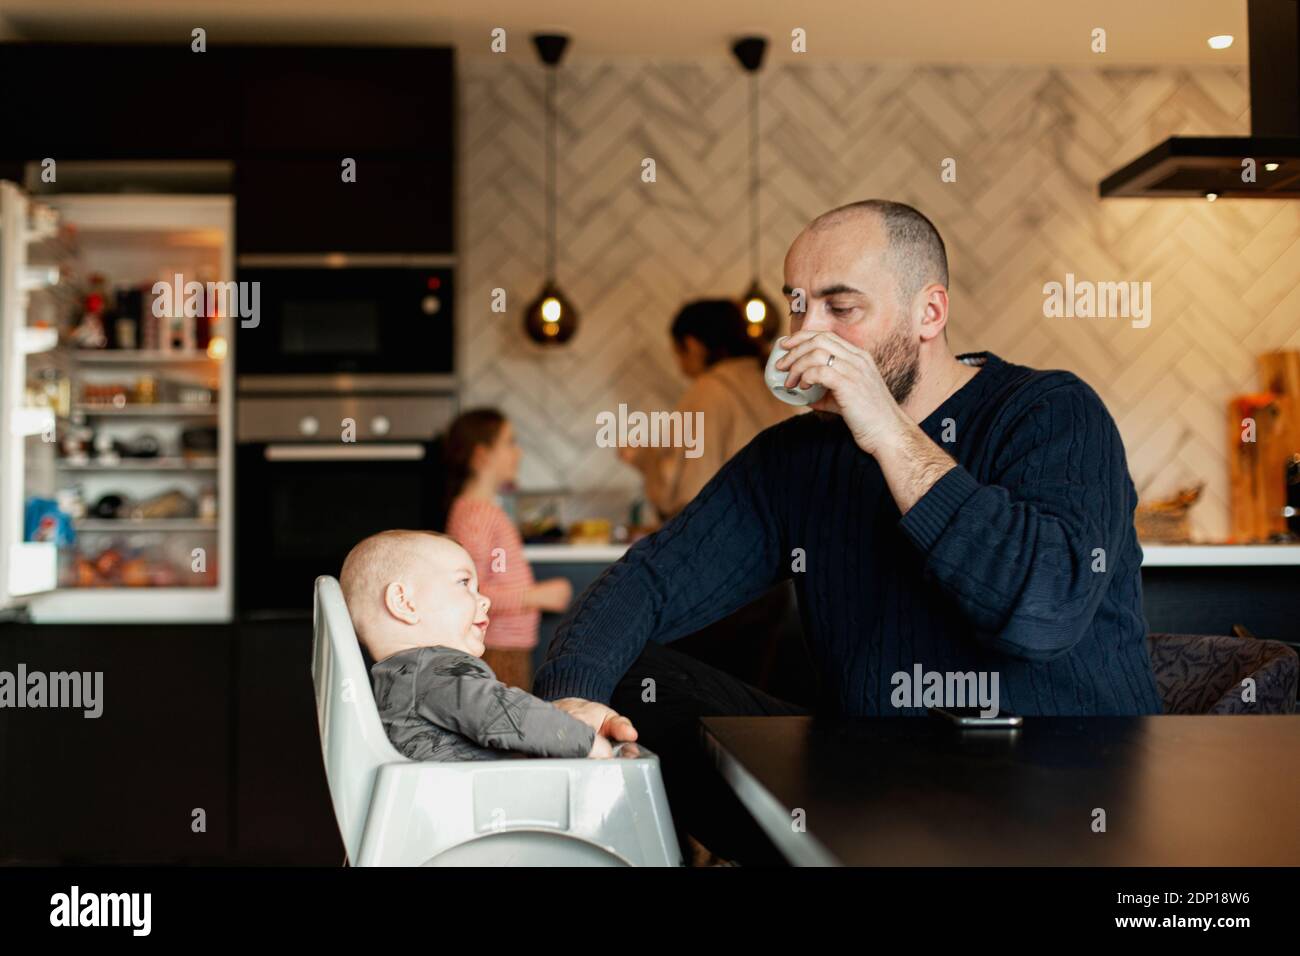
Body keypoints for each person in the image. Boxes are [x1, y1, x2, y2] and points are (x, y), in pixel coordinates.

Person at [532, 199, 1164, 864]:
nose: (808, 334)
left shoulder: (1053, 412)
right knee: (623, 671)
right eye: (798, 307)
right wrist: (571, 700)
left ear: (930, 313)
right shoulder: (796, 457)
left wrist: (888, 431)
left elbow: (1043, 612)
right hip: (875, 788)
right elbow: (651, 578)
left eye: (842, 308)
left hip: (1067, 791)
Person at [339, 529, 608, 760]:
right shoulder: (435, 670)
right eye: (464, 582)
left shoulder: (397, 680)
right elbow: (501, 712)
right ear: (404, 602)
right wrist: (584, 741)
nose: (485, 600)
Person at [620, 299, 798, 520]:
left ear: (692, 345)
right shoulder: (770, 383)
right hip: (779, 524)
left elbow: (684, 489)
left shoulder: (708, 390)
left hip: (729, 532)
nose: (679, 365)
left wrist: (642, 457)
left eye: (678, 353)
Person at [442, 409, 572, 692]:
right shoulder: (476, 515)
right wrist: (537, 596)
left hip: (505, 648)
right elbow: (471, 591)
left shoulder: (481, 510)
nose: (519, 452)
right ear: (482, 455)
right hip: (497, 652)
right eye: (510, 442)